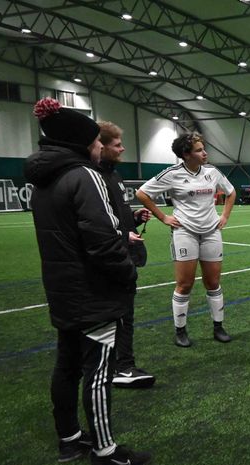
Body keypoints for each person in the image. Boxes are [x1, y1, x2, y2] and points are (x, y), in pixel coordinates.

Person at [25, 98, 150, 465]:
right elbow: (102, 239)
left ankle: (69, 440)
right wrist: (127, 273)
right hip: (92, 290)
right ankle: (105, 452)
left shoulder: (44, 178)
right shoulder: (86, 175)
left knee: (66, 365)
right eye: (97, 141)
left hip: (62, 288)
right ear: (83, 144)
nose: (101, 147)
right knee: (97, 372)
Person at [136, 133, 236, 348]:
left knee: (213, 282)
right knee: (184, 284)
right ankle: (180, 331)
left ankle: (218, 327)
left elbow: (231, 192)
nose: (204, 153)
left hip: (211, 232)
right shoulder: (172, 174)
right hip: (185, 233)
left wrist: (225, 216)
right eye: (199, 150)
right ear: (186, 154)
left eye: (203, 148)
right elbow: (142, 193)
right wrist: (163, 217)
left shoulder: (212, 172)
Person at [98, 121, 155, 389]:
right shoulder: (93, 177)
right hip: (112, 256)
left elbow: (114, 214)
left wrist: (132, 218)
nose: (123, 148)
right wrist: (122, 236)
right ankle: (122, 366)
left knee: (123, 314)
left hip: (125, 255)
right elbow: (91, 222)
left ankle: (119, 365)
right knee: (119, 314)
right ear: (102, 146)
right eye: (117, 144)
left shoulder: (114, 174)